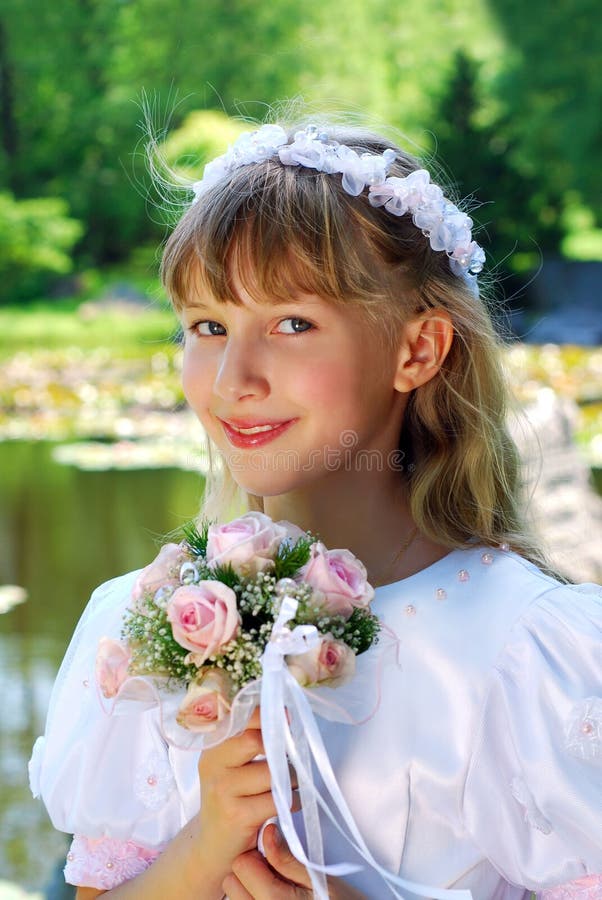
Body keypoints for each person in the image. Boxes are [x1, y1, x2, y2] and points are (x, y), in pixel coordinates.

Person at [30, 119, 601, 900]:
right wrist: (201, 850)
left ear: (418, 351)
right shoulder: (139, 632)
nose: (235, 377)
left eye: (293, 324)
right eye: (207, 326)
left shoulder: (519, 650)